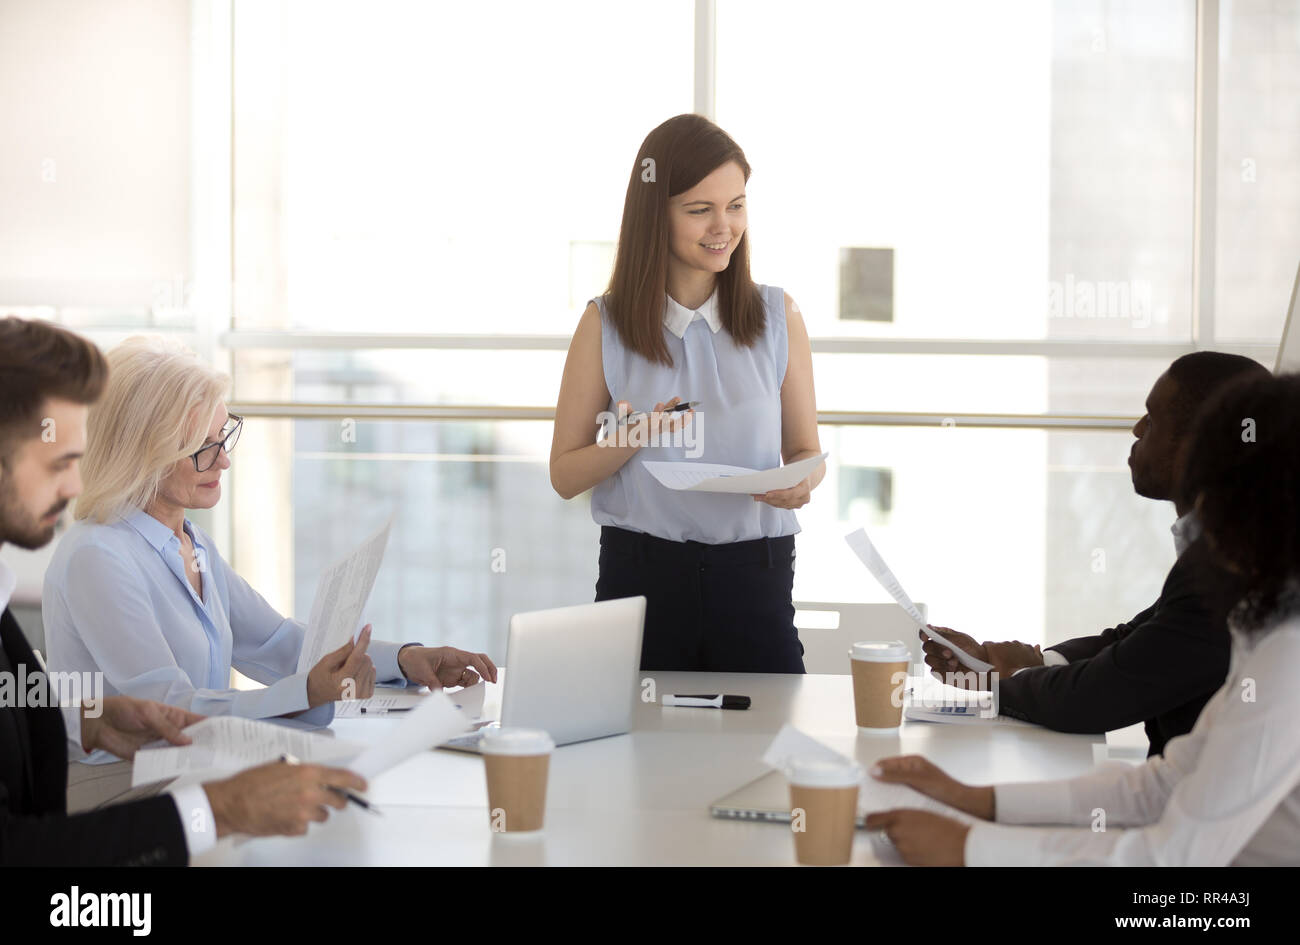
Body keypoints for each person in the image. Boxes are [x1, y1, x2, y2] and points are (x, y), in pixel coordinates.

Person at [867, 371, 1300, 865]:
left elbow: (1172, 858)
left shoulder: (1287, 653)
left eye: (1212, 499)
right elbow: (1165, 783)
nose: (1201, 524)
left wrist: (970, 847)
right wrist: (979, 801)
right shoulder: (1266, 623)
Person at [42, 336, 495, 803]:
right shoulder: (98, 557)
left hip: (195, 769)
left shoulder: (189, 542)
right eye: (202, 447)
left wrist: (403, 659)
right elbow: (168, 711)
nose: (224, 459)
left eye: (224, 436)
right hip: (125, 790)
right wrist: (307, 693)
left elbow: (277, 643)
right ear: (141, 452)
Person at [1, 316, 370, 865]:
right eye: (61, 463)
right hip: (115, 815)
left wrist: (91, 720)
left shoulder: (6, 603)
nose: (77, 486)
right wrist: (216, 810)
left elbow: (275, 641)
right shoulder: (95, 555)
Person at [549, 113, 824, 673]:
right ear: (656, 215)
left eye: (736, 205)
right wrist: (632, 437)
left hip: (756, 578)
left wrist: (803, 482)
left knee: (764, 752)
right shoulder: (605, 325)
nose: (723, 226)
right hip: (642, 578)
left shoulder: (779, 315)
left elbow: (804, 451)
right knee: (637, 754)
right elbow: (565, 475)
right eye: (700, 210)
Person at [921, 352, 1268, 755]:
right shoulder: (1229, 547)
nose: (1136, 429)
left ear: (1198, 447)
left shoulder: (1231, 570)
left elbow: (1098, 698)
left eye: (1152, 421)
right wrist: (999, 663)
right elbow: (1131, 641)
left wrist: (1000, 681)